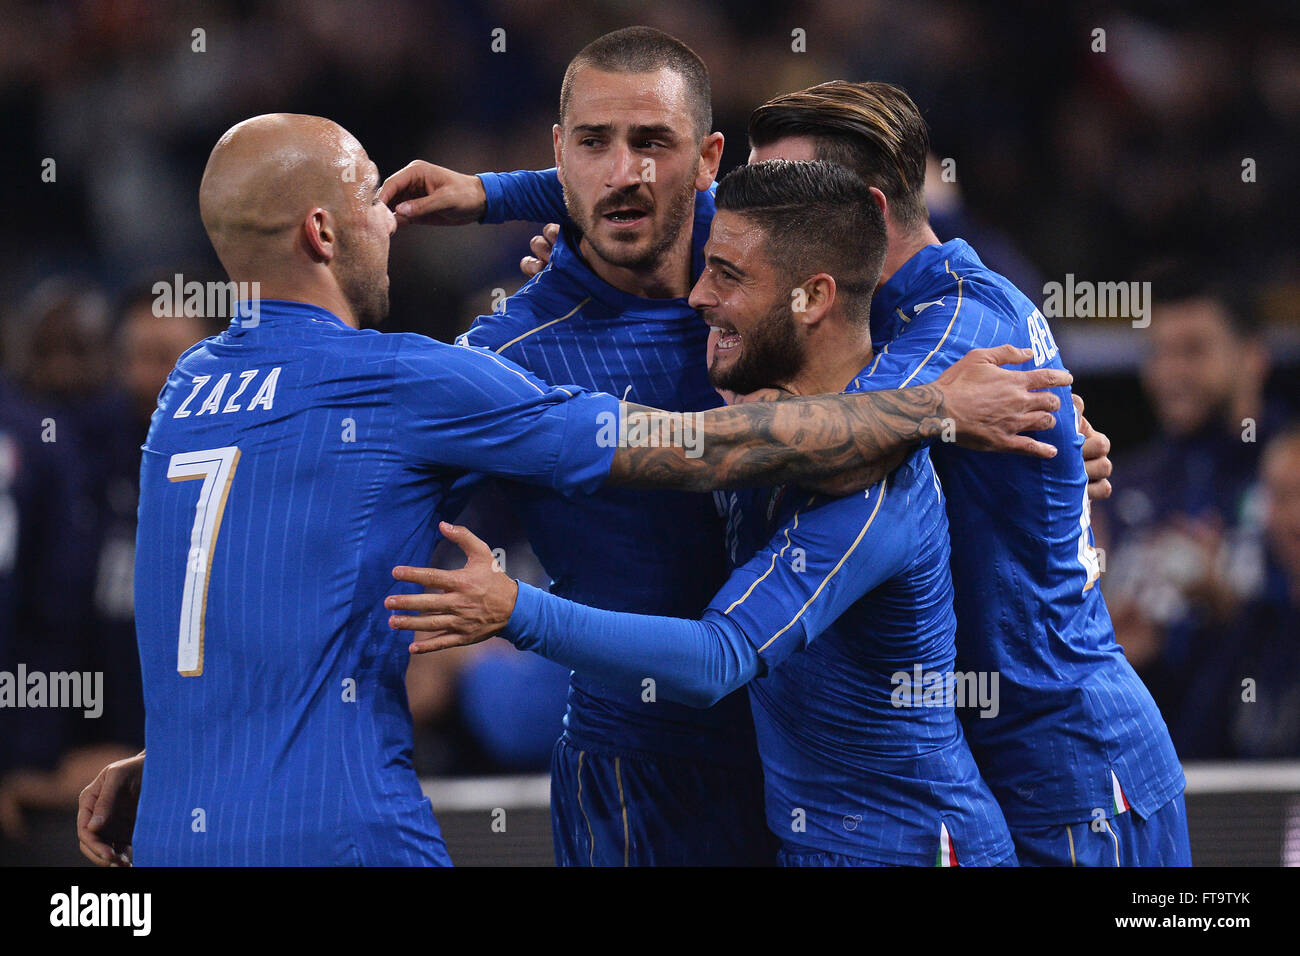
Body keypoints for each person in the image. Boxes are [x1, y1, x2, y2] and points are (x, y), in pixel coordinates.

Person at [77, 111, 1067, 867]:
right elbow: (695, 447)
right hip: (345, 833)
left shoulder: (188, 389)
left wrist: (189, 756)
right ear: (325, 233)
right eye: (373, 198)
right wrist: (930, 409)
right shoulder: (407, 380)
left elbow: (252, 585)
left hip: (178, 832)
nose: (392, 218)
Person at [380, 27, 1107, 868]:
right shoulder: (505, 362)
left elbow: (903, 250)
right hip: (647, 786)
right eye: (592, 144)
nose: (625, 172)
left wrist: (1026, 450)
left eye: (655, 143)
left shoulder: (775, 247)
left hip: (824, 783)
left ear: (709, 161)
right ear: (560, 151)